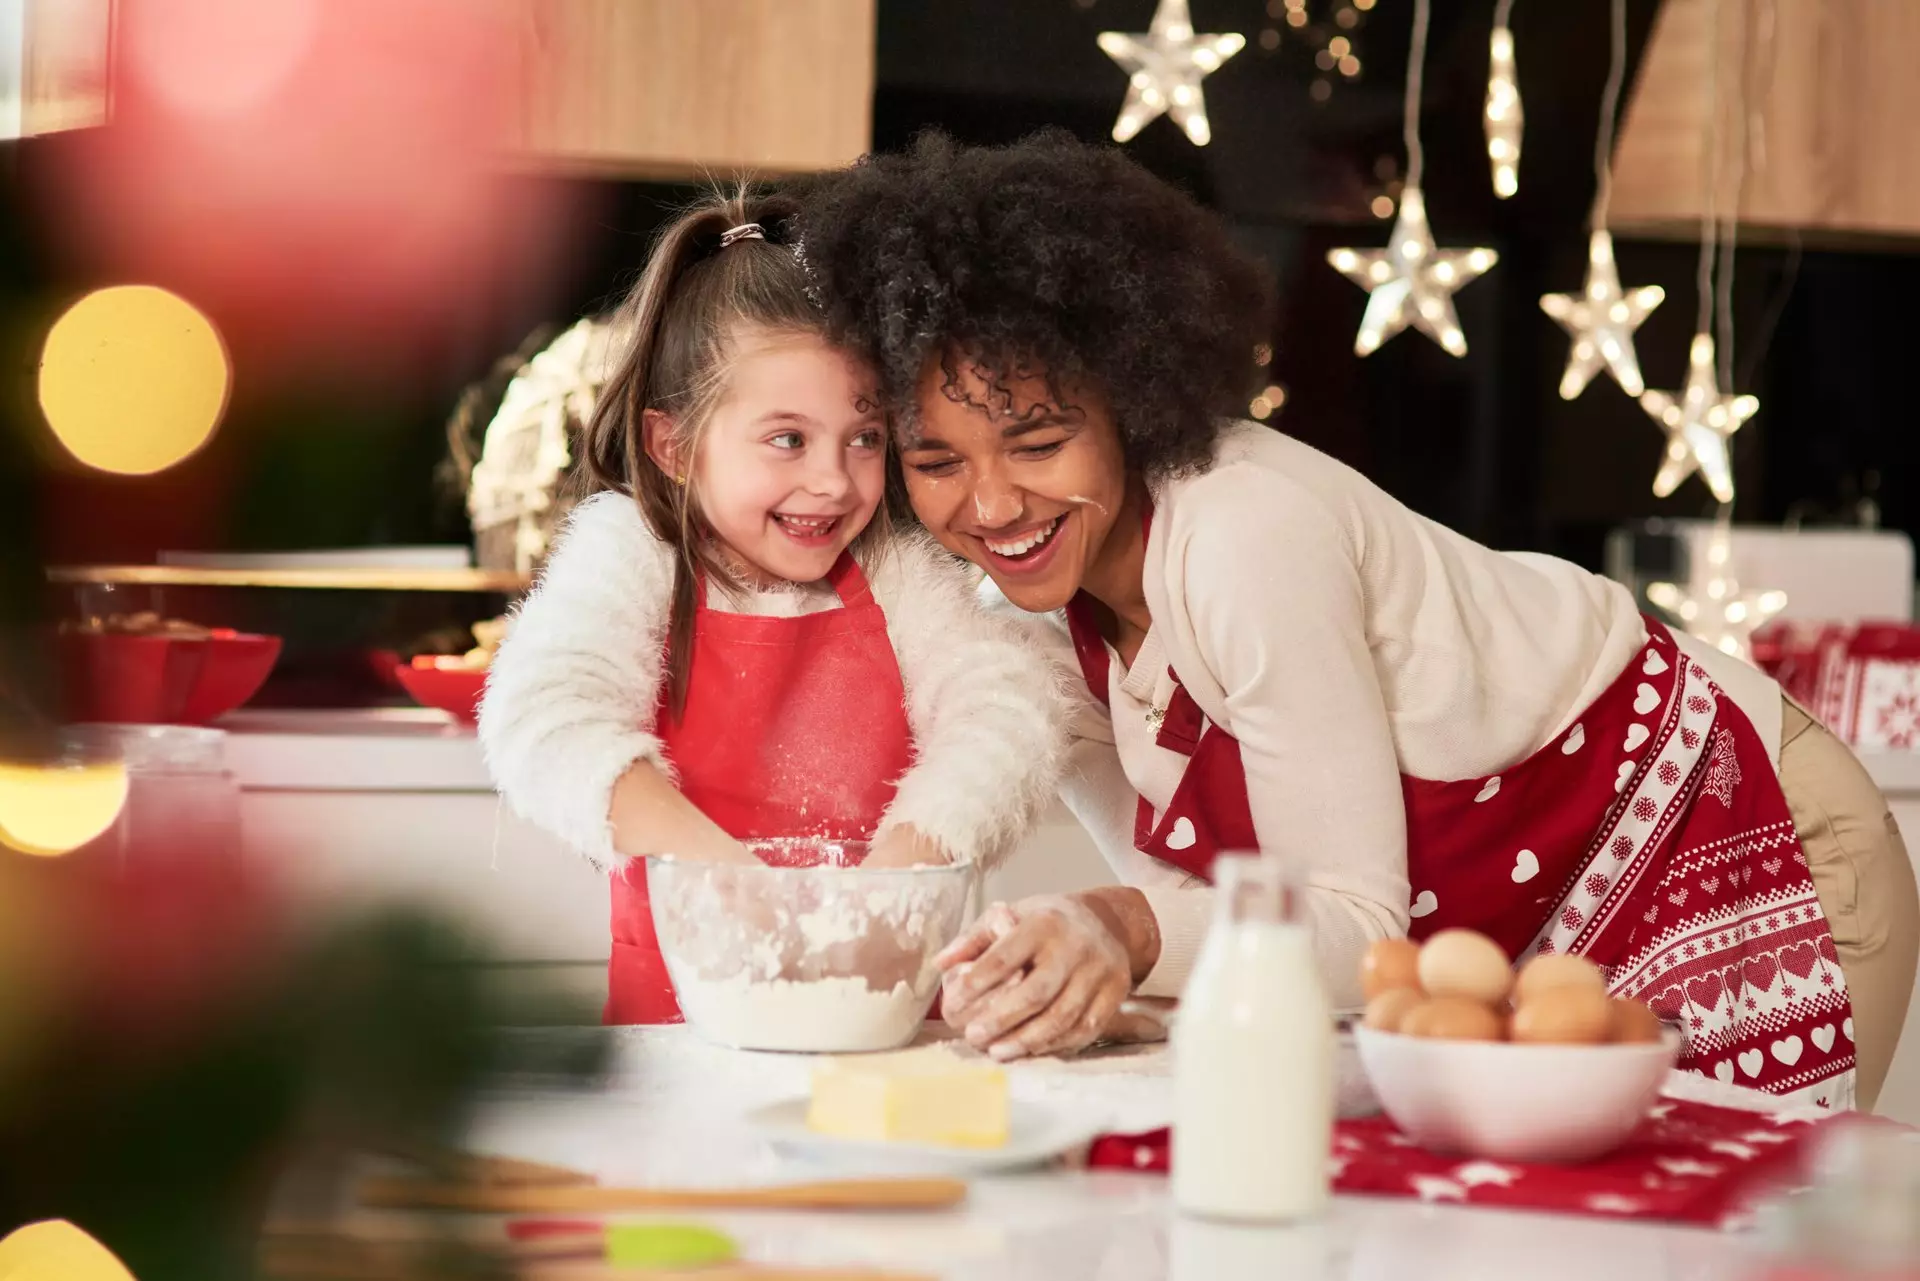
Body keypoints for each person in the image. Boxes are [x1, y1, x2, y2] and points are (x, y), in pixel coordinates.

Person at [795, 131, 1919, 1110]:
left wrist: (1120, 931)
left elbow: (1347, 925)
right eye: (937, 462)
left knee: (1751, 1239)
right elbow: (1208, 912)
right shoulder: (1050, 623)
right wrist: (1088, 955)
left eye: (1039, 444)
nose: (991, 505)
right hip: (1525, 941)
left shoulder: (1243, 534)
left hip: (1737, 834)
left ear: (1132, 405)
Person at [479, 188, 1067, 1025]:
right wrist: (733, 886)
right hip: (682, 1027)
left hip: (884, 1007)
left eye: (863, 437)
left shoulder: (893, 567)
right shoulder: (637, 550)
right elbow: (544, 716)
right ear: (674, 446)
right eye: (788, 438)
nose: (833, 479)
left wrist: (896, 878)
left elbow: (1008, 709)